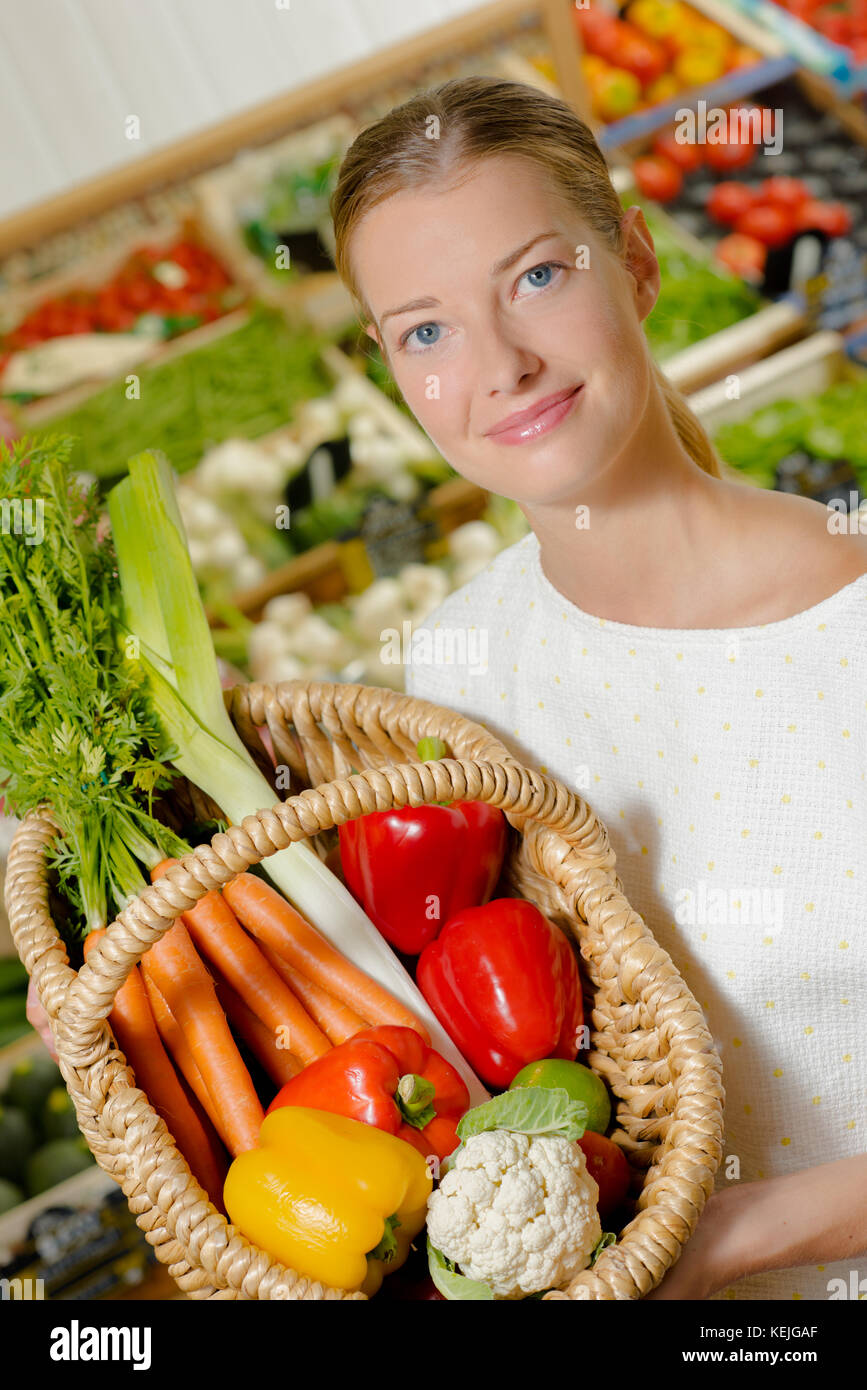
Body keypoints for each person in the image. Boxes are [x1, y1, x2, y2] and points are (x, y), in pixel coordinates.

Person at [329, 75, 867, 1300]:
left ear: (634, 263)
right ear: (388, 366)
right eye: (427, 329)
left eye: (536, 278)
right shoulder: (458, 670)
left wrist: (741, 1234)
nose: (502, 366)